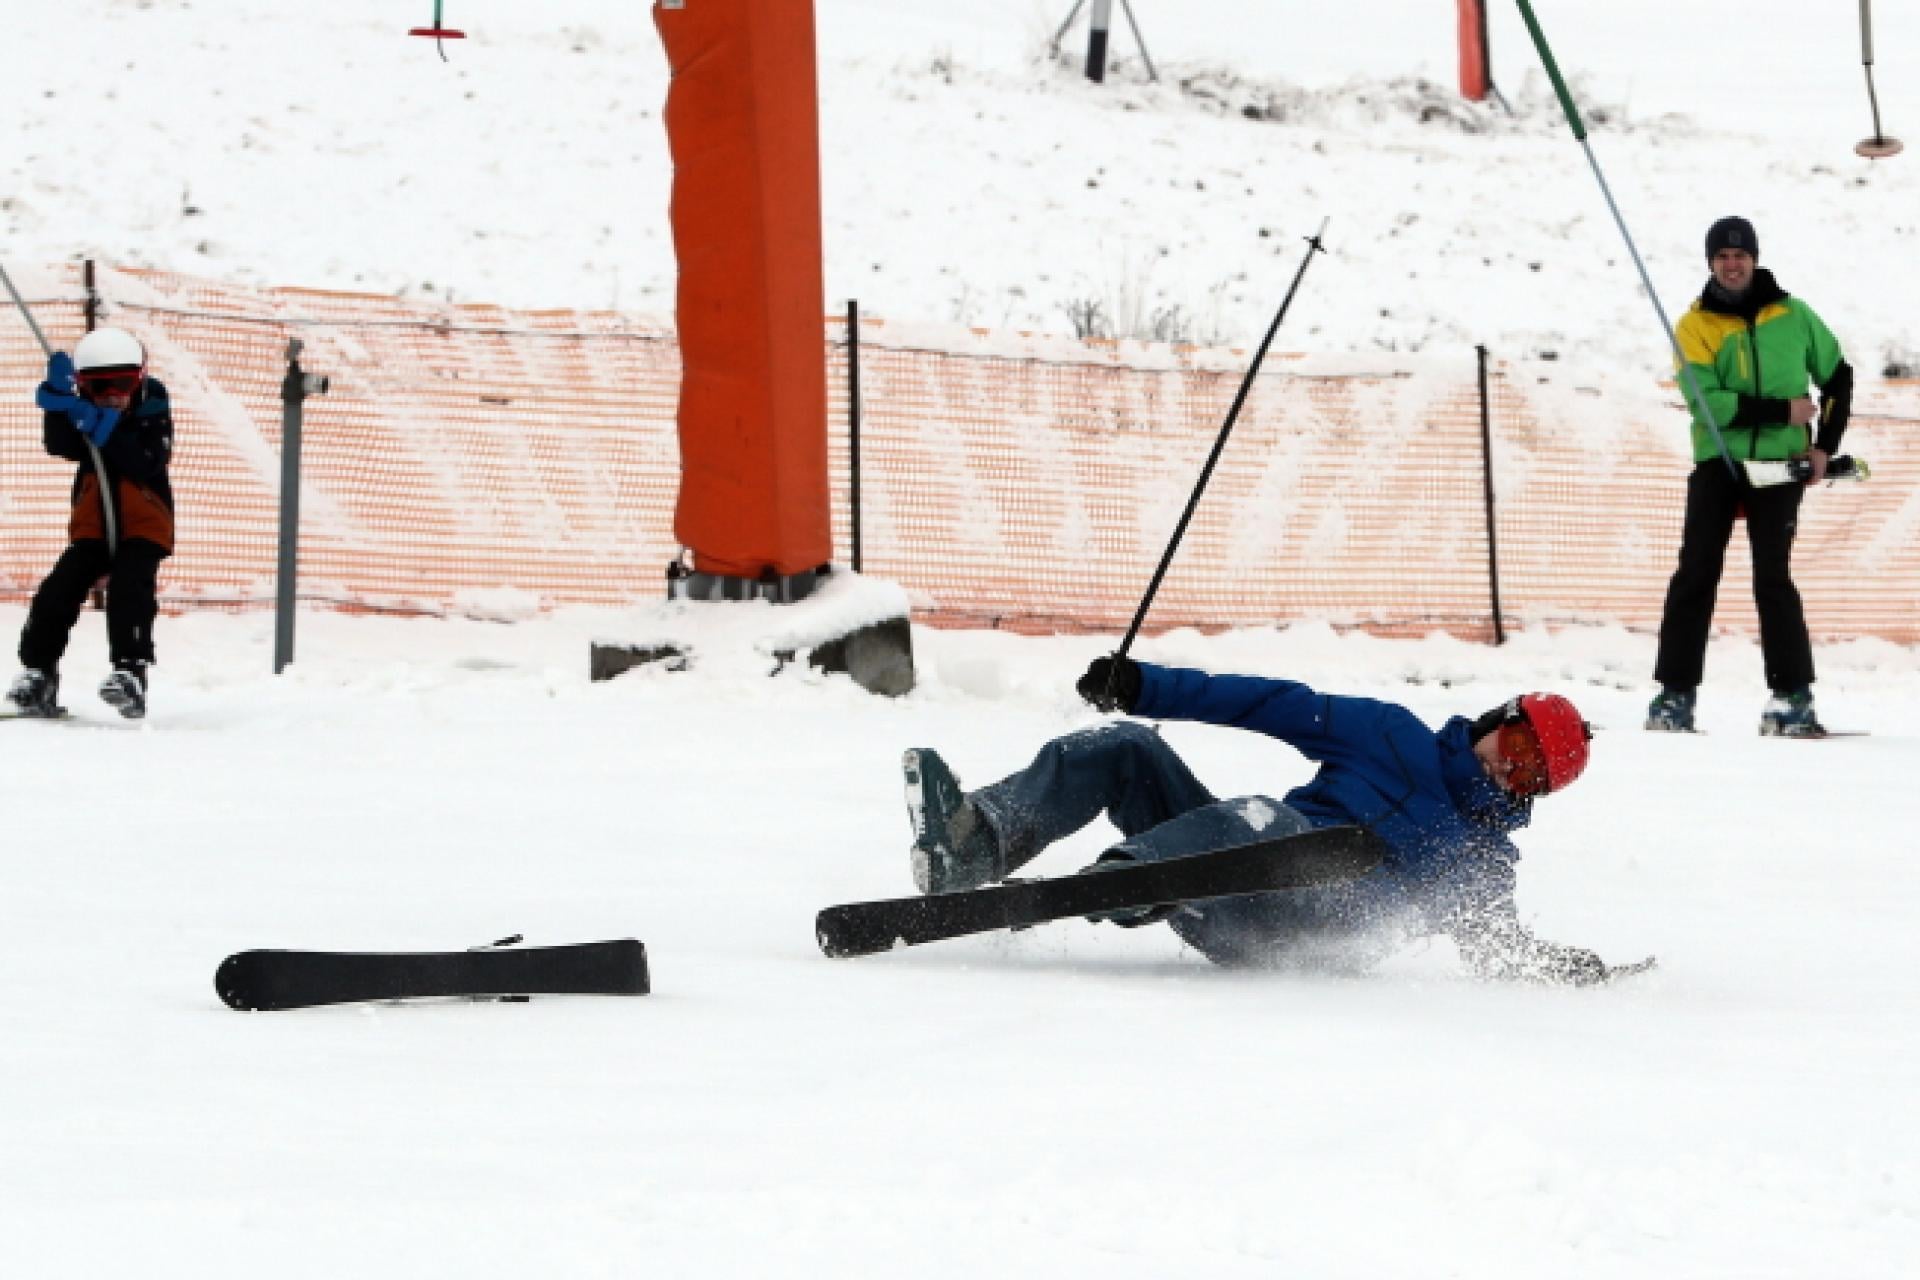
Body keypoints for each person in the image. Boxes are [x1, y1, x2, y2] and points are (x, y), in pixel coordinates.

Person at [902, 653, 1631, 985]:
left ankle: (1145, 877)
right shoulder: (1388, 733)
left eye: (1533, 777)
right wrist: (1145, 686)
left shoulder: (1480, 855)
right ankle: (975, 844)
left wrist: (1570, 969)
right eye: (1517, 748)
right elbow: (1268, 703)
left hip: (1312, 927)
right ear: (1496, 721)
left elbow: (1496, 946)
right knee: (1128, 751)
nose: (1510, 772)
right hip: (1226, 871)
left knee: (1281, 828)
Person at [1646, 215, 1853, 737]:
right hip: (1719, 461)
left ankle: (1792, 698)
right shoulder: (1694, 325)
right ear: (1711, 263)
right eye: (1722, 257)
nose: (1732, 264)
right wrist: (1783, 412)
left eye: (1740, 255)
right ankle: (1674, 697)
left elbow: (1838, 377)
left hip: (1781, 468)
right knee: (1695, 572)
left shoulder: (1794, 315)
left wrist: (1826, 447)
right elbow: (1706, 403)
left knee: (1773, 578)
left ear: (1754, 259)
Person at [6, 326, 175, 720]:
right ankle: (38, 674)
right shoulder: (82, 408)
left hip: (144, 524)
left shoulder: (152, 403)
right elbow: (61, 447)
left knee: (131, 590)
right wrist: (59, 409)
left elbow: (146, 460)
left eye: (123, 383)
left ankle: (131, 673)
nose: (114, 393)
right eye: (100, 386)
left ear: (140, 378)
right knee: (56, 593)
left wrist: (103, 423)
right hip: (93, 525)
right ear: (83, 386)